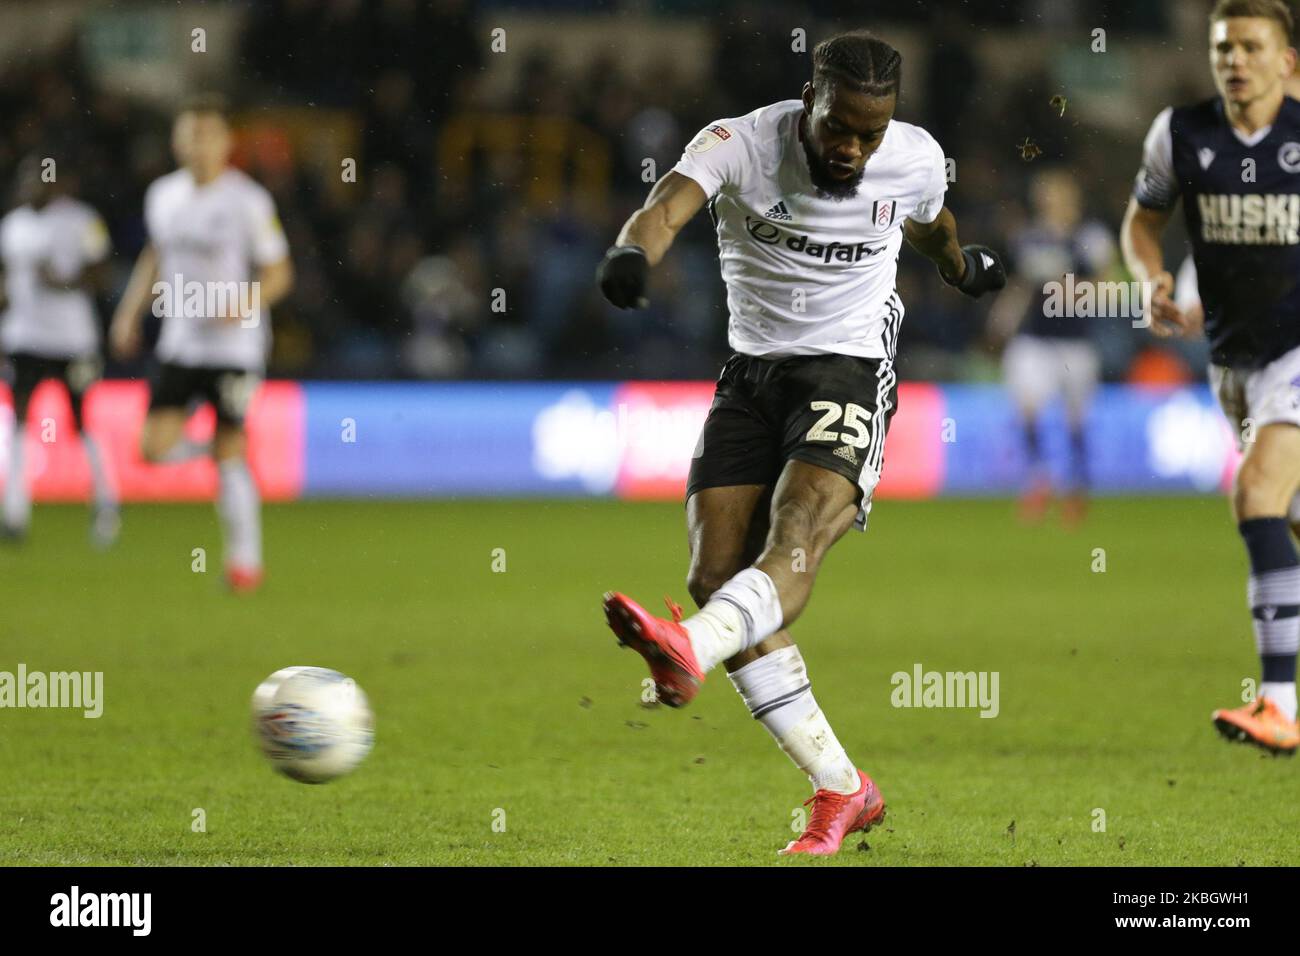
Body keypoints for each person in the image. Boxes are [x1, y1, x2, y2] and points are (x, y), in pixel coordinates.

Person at [595, 31, 1005, 855]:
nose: (852, 148)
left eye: (870, 135)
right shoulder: (740, 142)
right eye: (838, 129)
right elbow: (668, 203)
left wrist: (960, 268)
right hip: (751, 375)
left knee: (793, 537)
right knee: (716, 574)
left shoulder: (915, 158)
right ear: (808, 99)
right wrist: (633, 253)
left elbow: (929, 224)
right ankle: (842, 787)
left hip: (849, 368)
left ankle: (688, 648)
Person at [1121, 0, 1300, 753]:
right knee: (1288, 521)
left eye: (1253, 47)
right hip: (1234, 362)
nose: (1236, 60)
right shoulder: (1181, 133)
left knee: (1254, 494)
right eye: (1224, 47)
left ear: (1288, 61)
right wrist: (1150, 278)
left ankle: (1279, 706)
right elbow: (1141, 222)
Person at [110, 95, 293, 593]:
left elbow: (280, 273)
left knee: (231, 446)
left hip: (236, 348)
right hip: (181, 343)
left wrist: (247, 302)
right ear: (176, 142)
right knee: (152, 449)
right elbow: (155, 256)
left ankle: (244, 564)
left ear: (226, 143)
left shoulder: (248, 200)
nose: (199, 144)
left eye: (208, 134)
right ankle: (215, 452)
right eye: (190, 134)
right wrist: (129, 311)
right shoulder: (162, 196)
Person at [0, 154, 118, 546]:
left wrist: (63, 282)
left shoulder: (82, 220)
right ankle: (15, 512)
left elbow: (102, 273)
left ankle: (105, 504)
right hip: (23, 339)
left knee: (82, 422)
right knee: (18, 419)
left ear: (55, 181)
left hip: (72, 341)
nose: (33, 185)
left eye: (40, 177)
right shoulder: (12, 226)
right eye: (27, 178)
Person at [987, 168, 1114, 525]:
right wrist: (1003, 319)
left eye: (1055, 195)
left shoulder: (1090, 237)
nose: (1048, 203)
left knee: (1076, 421)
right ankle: (1037, 479)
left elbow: (1108, 286)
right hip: (1035, 339)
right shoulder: (1028, 238)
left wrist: (1077, 291)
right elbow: (1021, 285)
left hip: (1075, 342)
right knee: (1027, 408)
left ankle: (1075, 488)